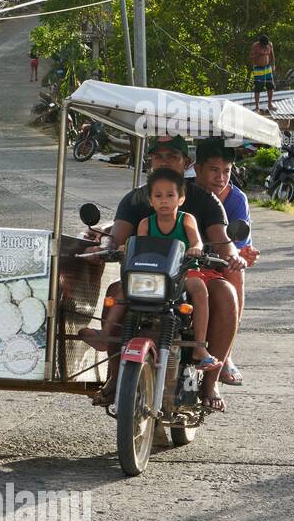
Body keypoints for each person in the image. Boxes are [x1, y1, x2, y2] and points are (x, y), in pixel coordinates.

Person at [79, 134, 246, 411]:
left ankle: (210, 382)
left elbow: (223, 241)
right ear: (150, 161)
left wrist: (233, 257)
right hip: (147, 277)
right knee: (114, 293)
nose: (165, 162)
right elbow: (117, 236)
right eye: (159, 157)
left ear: (187, 162)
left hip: (194, 274)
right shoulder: (135, 200)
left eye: (173, 157)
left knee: (226, 293)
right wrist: (102, 247)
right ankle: (113, 378)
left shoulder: (204, 201)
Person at [138, 168, 219, 371]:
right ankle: (107, 333)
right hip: (154, 274)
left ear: (181, 198)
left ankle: (199, 347)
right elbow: (139, 247)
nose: (164, 200)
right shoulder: (145, 223)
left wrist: (196, 249)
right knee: (121, 290)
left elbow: (197, 241)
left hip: (183, 272)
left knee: (199, 288)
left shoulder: (186, 220)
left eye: (170, 195)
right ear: (150, 200)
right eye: (158, 196)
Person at [193, 139, 259, 386]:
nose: (220, 177)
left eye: (226, 171)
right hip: (181, 262)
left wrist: (242, 255)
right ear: (197, 168)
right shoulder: (181, 192)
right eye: (214, 170)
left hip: (217, 262)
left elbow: (239, 246)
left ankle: (226, 354)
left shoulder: (236, 199)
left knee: (235, 272)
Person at [249, 34, 275, 114]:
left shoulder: (270, 45)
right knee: (258, 87)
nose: (264, 46)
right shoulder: (255, 46)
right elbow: (250, 57)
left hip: (267, 68)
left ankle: (270, 104)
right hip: (258, 68)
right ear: (260, 43)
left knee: (270, 86)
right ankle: (257, 107)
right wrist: (258, 54)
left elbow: (272, 56)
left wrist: (273, 65)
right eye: (263, 45)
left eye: (265, 45)